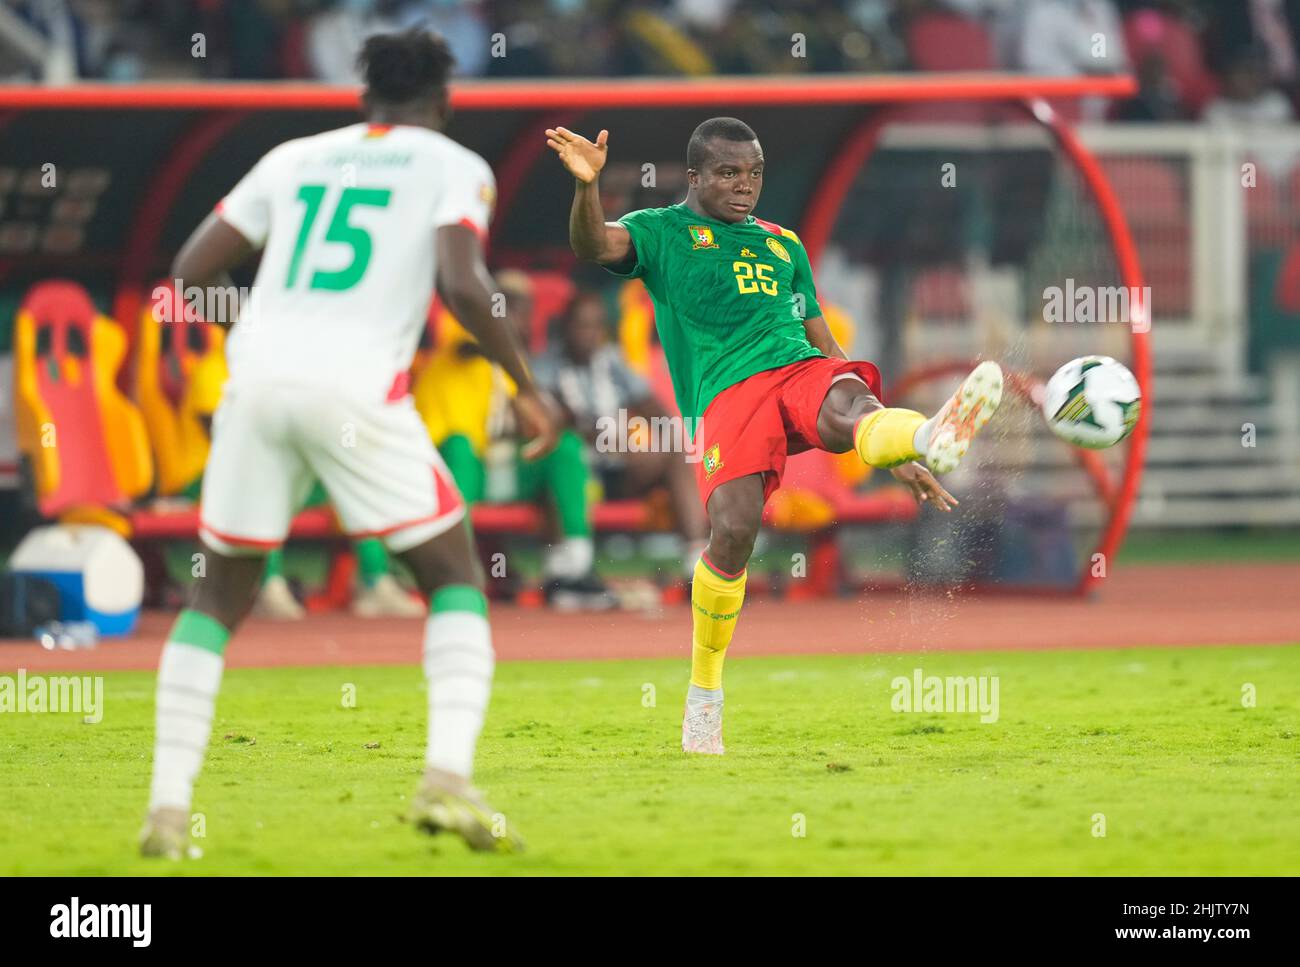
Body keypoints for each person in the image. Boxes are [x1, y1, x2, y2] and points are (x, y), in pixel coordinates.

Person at [139, 29, 558, 858]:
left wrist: (265, 328)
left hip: (254, 386)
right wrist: (524, 382)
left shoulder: (293, 157)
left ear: (362, 96)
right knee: (454, 575)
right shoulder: (452, 164)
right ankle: (445, 779)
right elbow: (465, 282)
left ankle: (164, 812)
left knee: (217, 598)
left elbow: (188, 270)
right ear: (443, 102)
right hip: (357, 389)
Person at [548, 117, 1003, 755]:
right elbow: (593, 246)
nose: (744, 187)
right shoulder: (661, 231)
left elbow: (826, 345)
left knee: (844, 392)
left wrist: (893, 444)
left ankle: (927, 435)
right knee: (732, 534)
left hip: (796, 370)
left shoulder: (783, 244)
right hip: (727, 397)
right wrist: (587, 188)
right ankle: (704, 695)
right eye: (729, 174)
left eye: (754, 173)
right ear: (696, 177)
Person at [416, 271, 616, 609]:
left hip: (498, 472)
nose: (518, 319)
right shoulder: (456, 356)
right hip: (452, 477)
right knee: (460, 448)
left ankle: (572, 570)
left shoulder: (518, 367)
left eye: (523, 311)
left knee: (562, 447)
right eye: (508, 308)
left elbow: (530, 426)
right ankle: (460, 575)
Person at [533, 290, 709, 567]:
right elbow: (556, 423)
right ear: (566, 327)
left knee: (675, 449)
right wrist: (610, 439)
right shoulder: (546, 366)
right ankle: (571, 568)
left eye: (595, 326)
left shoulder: (612, 362)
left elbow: (654, 409)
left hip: (621, 470)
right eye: (581, 325)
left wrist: (661, 439)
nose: (588, 334)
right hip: (577, 472)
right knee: (577, 451)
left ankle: (697, 560)